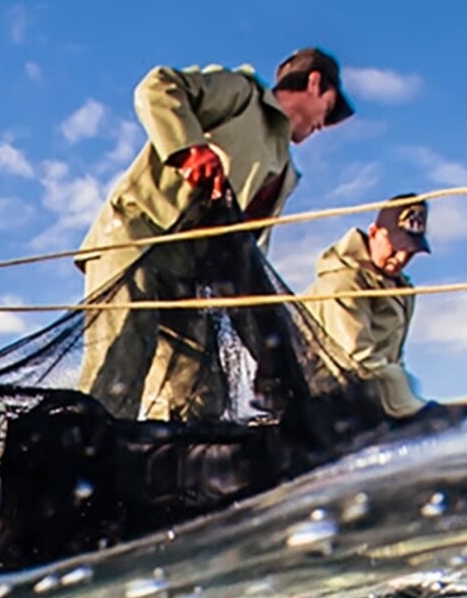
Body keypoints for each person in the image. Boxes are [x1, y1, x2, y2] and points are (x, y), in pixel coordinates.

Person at [74, 48, 350, 422]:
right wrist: (189, 150)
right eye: (329, 107)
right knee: (120, 365)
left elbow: (248, 254)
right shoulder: (242, 95)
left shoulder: (285, 173)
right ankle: (81, 469)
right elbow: (158, 87)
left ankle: (162, 475)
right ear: (314, 82)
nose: (326, 123)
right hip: (135, 239)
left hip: (189, 278)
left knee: (200, 394)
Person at [312, 195, 431, 419]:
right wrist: (411, 408)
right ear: (374, 232)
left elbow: (392, 354)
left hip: (375, 402)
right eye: (396, 246)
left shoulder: (400, 289)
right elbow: (356, 359)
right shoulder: (343, 282)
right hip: (332, 407)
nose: (402, 258)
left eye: (411, 250)